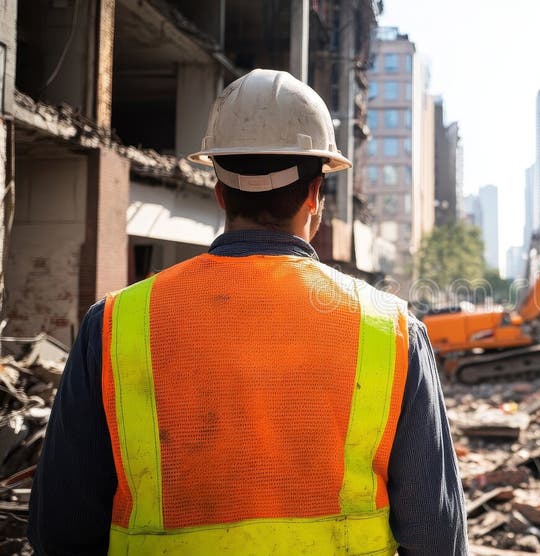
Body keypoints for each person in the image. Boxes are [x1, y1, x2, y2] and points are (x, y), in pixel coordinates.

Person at [28, 69, 467, 555]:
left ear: (220, 192)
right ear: (315, 195)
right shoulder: (393, 330)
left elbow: (59, 532)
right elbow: (437, 538)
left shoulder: (114, 325)